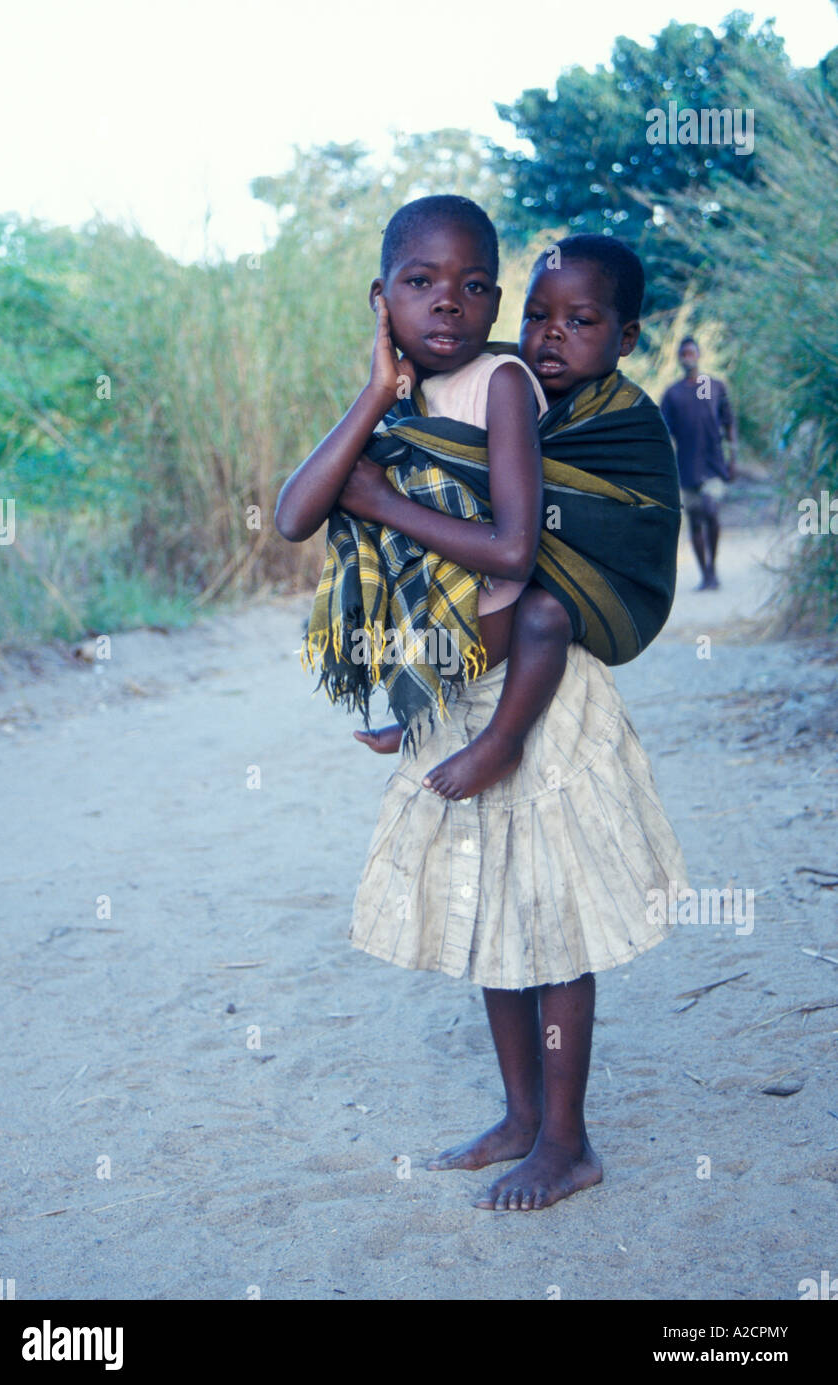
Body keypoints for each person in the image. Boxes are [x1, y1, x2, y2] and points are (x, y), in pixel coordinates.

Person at [276, 197, 689, 1212]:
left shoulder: (503, 382)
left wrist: (378, 500)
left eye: (469, 286)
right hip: (451, 682)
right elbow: (294, 514)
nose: (446, 303)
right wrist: (375, 394)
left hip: (530, 697)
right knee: (489, 914)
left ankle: (567, 1139)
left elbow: (513, 548)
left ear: (489, 296)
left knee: (549, 918)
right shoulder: (411, 387)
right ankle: (516, 1116)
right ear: (381, 300)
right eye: (418, 284)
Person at [661, 337, 737, 589]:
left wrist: (733, 458)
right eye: (683, 353)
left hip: (713, 464)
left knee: (711, 510)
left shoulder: (715, 386)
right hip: (686, 466)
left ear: (699, 354)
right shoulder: (672, 394)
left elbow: (729, 423)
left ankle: (713, 569)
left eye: (691, 352)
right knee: (694, 519)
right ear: (679, 357)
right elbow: (664, 433)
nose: (688, 357)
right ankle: (705, 574)